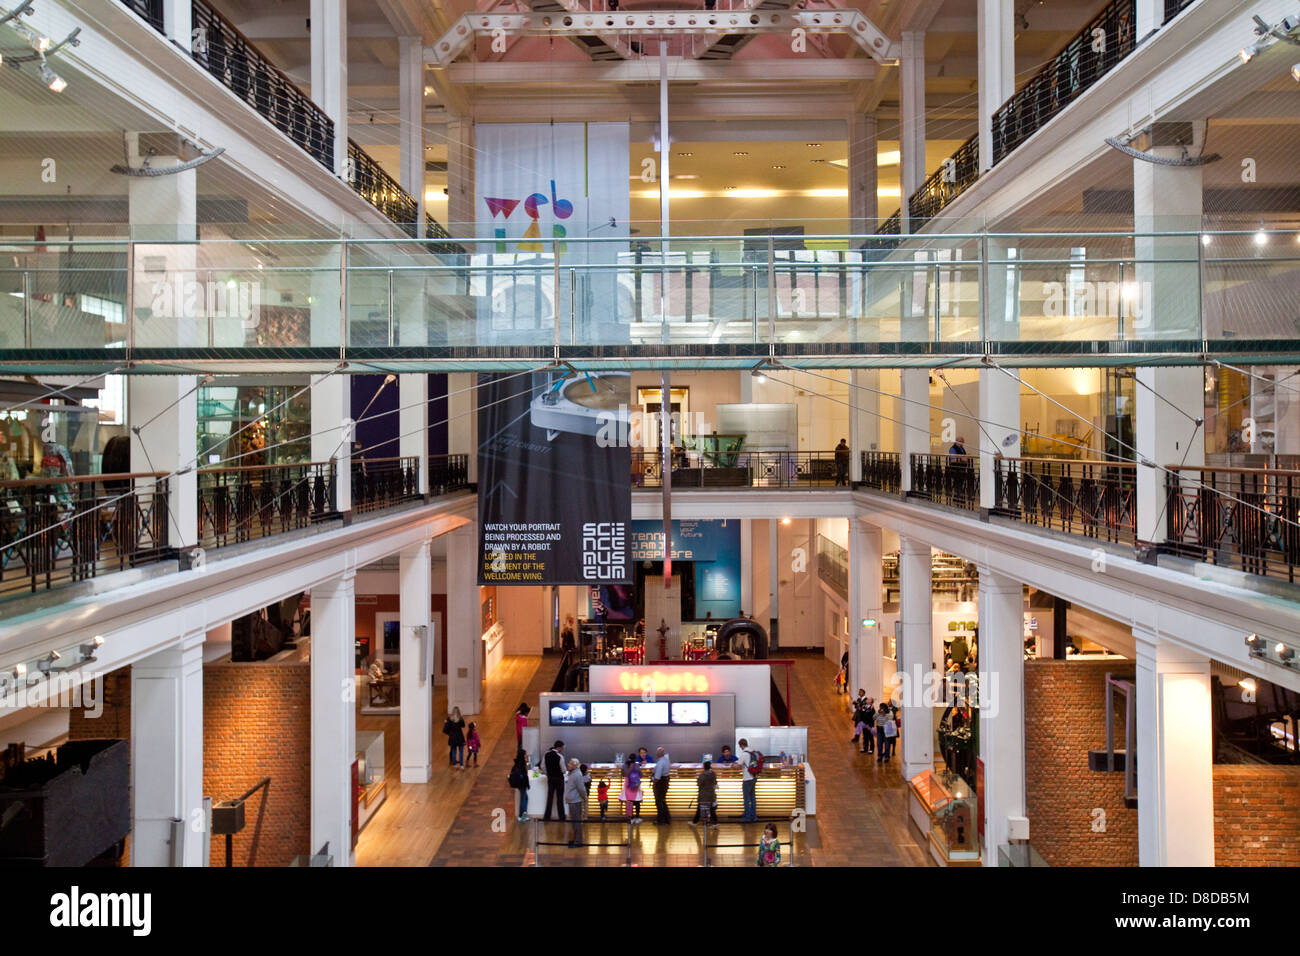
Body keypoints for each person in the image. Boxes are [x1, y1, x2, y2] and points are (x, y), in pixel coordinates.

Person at [543, 740, 567, 821]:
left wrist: (548, 774)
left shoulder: (546, 754)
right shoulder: (560, 756)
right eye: (562, 748)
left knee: (550, 798)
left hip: (550, 779)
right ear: (559, 747)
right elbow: (563, 770)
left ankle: (547, 817)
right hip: (559, 779)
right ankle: (562, 817)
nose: (562, 749)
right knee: (559, 799)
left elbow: (543, 766)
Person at [564, 758, 586, 848]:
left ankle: (578, 841)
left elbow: (581, 788)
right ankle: (576, 839)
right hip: (572, 800)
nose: (568, 765)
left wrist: (584, 796)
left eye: (570, 763)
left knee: (576, 821)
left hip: (575, 801)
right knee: (574, 821)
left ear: (574, 765)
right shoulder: (573, 773)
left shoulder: (577, 774)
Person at [692, 760, 717, 827]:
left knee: (700, 808)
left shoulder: (702, 775)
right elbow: (715, 782)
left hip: (704, 794)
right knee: (711, 809)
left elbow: (699, 784)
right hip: (711, 794)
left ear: (704, 767)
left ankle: (695, 822)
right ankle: (715, 822)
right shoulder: (713, 774)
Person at [739, 738, 758, 823]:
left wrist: (733, 764)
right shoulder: (753, 752)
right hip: (753, 777)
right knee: (753, 798)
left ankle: (747, 817)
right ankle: (754, 816)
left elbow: (739, 764)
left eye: (740, 747)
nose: (741, 748)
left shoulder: (744, 754)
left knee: (746, 799)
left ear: (742, 745)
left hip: (747, 778)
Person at [509, 749, 531, 822]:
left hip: (520, 783)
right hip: (522, 783)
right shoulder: (522, 763)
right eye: (525, 754)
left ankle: (522, 815)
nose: (526, 755)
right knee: (523, 799)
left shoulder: (518, 762)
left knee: (525, 798)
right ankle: (522, 816)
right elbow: (525, 773)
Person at [651, 747, 672, 825]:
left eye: (657, 752)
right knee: (662, 801)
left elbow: (657, 777)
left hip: (660, 783)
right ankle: (667, 818)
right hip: (665, 782)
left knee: (659, 802)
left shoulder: (660, 762)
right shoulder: (666, 760)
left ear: (659, 754)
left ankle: (661, 820)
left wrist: (653, 781)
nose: (656, 754)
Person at [622, 754, 644, 823]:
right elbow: (641, 775)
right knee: (637, 801)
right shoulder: (636, 765)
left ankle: (630, 817)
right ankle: (637, 817)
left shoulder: (625, 765)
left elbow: (624, 774)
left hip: (628, 784)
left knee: (629, 801)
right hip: (636, 784)